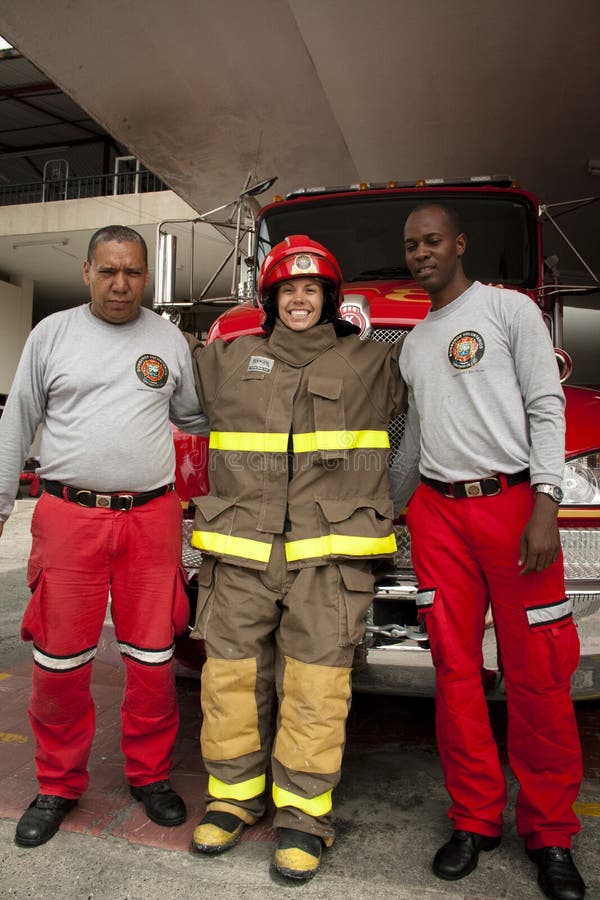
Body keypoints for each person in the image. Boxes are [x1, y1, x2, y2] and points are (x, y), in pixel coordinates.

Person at [185, 235, 407, 880]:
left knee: (315, 689)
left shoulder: (371, 361)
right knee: (231, 682)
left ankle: (305, 817)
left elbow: (444, 398)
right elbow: (153, 372)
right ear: (270, 298)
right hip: (241, 554)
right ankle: (233, 798)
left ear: (332, 298)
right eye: (289, 289)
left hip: (328, 561)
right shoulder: (229, 359)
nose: (301, 299)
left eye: (312, 289)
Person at [390, 203, 585, 900]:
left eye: (432, 240)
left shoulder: (507, 311)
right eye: (411, 246)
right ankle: (473, 819)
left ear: (459, 243)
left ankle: (551, 832)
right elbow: (412, 442)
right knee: (456, 670)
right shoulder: (414, 343)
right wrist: (390, 508)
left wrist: (545, 502)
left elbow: (545, 405)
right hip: (438, 513)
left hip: (513, 510)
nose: (421, 254)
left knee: (538, 672)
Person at [0, 225, 208, 848]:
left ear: (147, 276)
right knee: (60, 660)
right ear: (88, 270)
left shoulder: (168, 339)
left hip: (152, 520)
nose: (122, 284)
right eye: (110, 271)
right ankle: (58, 783)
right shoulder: (52, 335)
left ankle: (150, 775)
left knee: (152, 657)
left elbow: (196, 417)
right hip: (69, 518)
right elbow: (18, 420)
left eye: (134, 273)